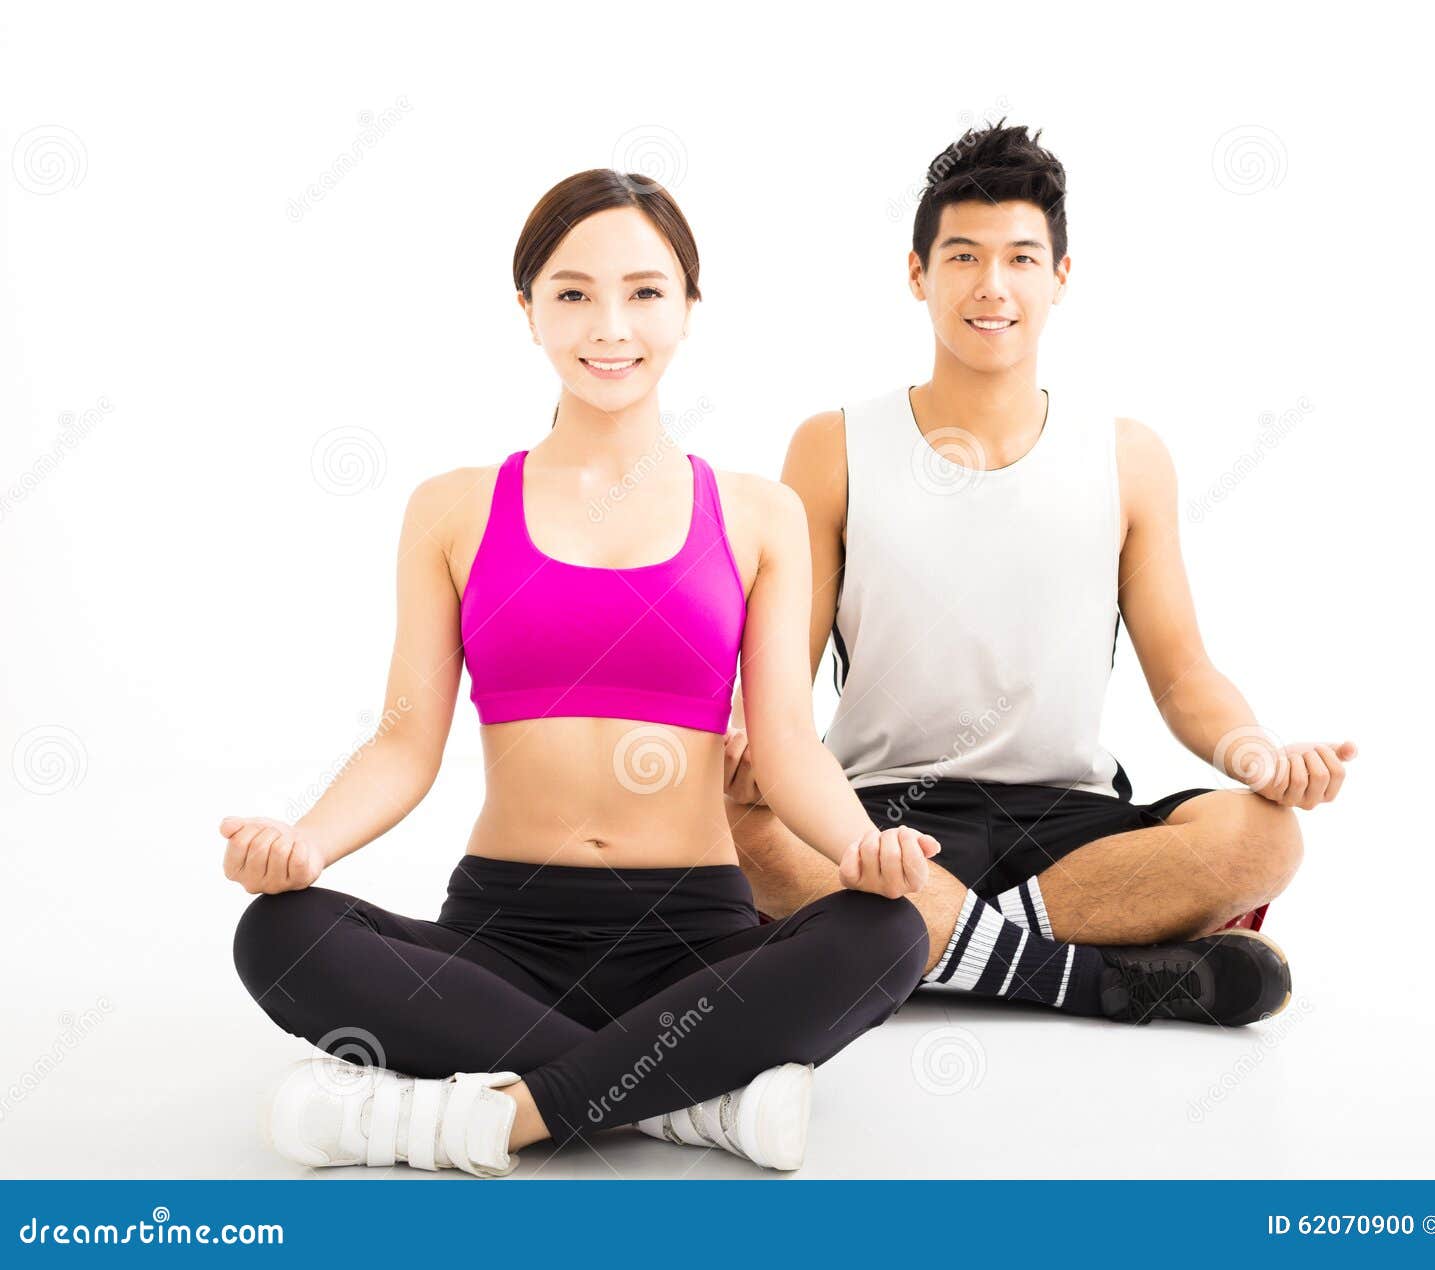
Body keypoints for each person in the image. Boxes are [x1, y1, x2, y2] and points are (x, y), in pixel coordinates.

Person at [225, 168, 939, 1178]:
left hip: (694, 935)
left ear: (690, 308)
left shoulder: (758, 513)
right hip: (501, 938)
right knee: (280, 934)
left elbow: (784, 744)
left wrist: (865, 850)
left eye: (645, 291)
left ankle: (502, 1114)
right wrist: (302, 841)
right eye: (572, 293)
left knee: (888, 934)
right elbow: (402, 741)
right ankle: (689, 1101)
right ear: (528, 313)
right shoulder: (451, 508)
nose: (611, 323)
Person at [723, 121, 1356, 1027]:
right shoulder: (833, 447)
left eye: (1022, 259)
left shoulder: (1129, 457)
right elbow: (781, 670)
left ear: (1060, 278)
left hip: (1070, 827)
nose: (992, 286)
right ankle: (1091, 979)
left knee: (1261, 837)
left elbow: (1182, 675)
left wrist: (1257, 752)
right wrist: (743, 741)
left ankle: (920, 950)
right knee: (723, 827)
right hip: (882, 816)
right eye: (964, 256)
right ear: (917, 275)